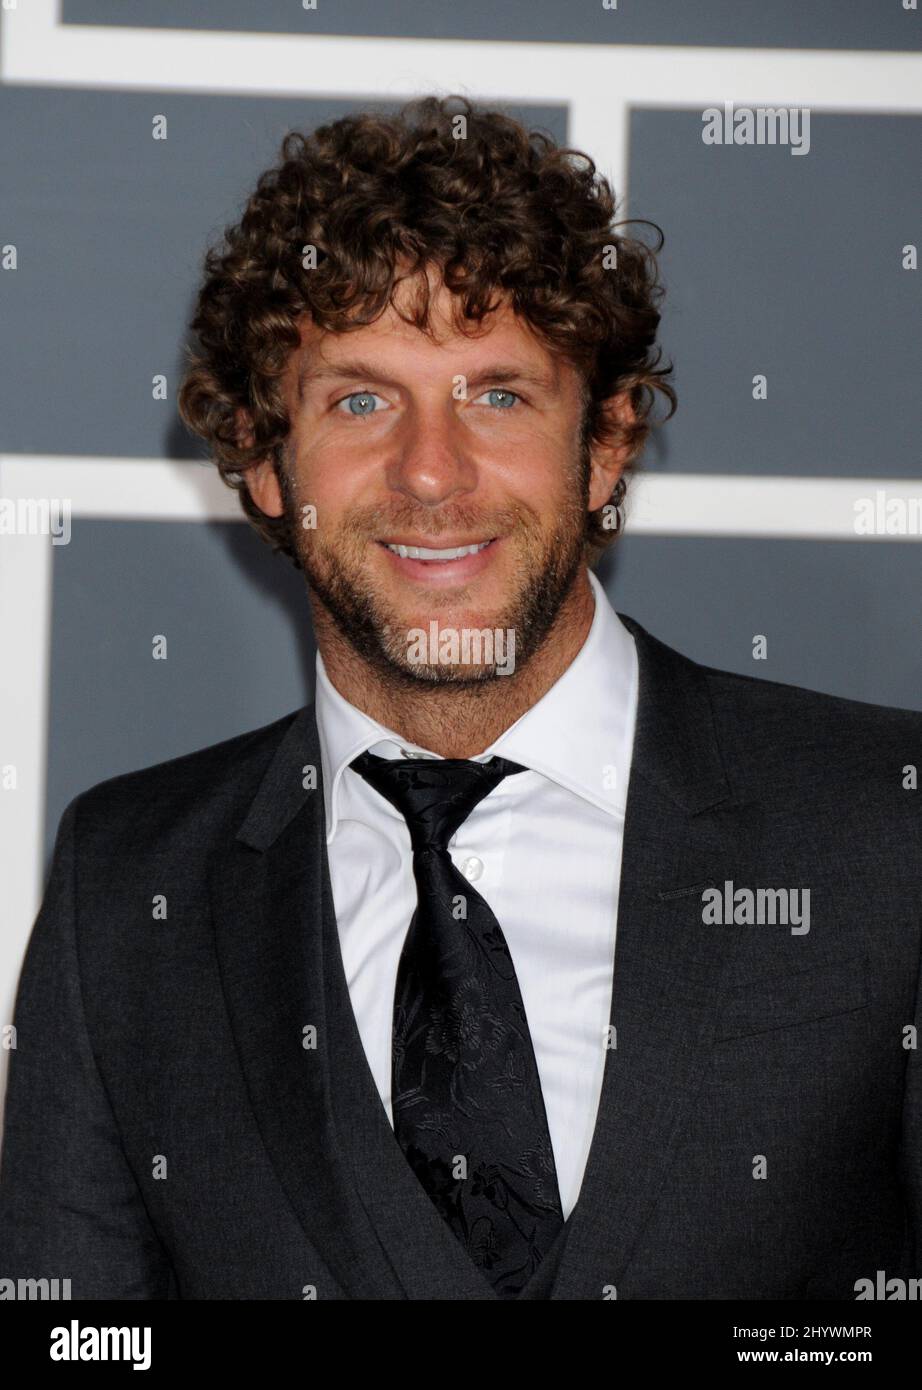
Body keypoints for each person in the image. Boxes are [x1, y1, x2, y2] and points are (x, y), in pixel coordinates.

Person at [0, 95, 919, 1302]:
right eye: (360, 400)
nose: (431, 471)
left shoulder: (884, 826)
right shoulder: (127, 887)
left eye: (498, 394)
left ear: (604, 445)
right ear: (265, 463)